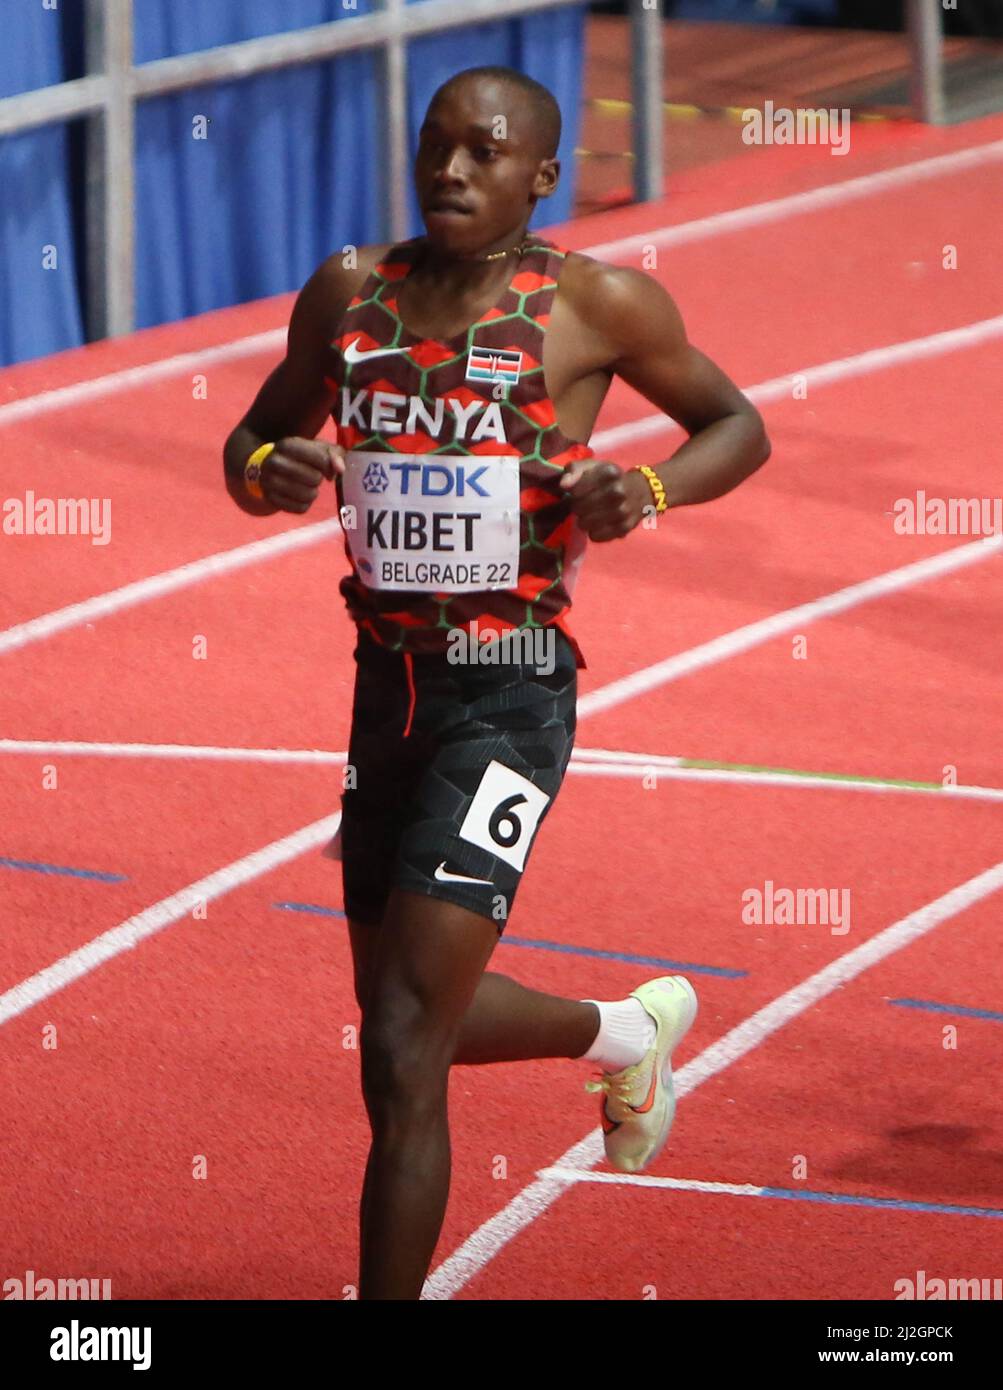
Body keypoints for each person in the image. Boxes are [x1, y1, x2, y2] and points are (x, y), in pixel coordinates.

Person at [223, 64, 770, 1301]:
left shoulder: (596, 302)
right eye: (435, 149)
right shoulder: (352, 291)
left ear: (542, 174)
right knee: (406, 1027)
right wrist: (272, 468)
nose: (452, 173)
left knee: (407, 1046)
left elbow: (737, 423)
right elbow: (249, 439)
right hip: (386, 695)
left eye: (483, 153)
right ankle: (623, 1034)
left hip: (510, 695)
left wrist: (644, 488)